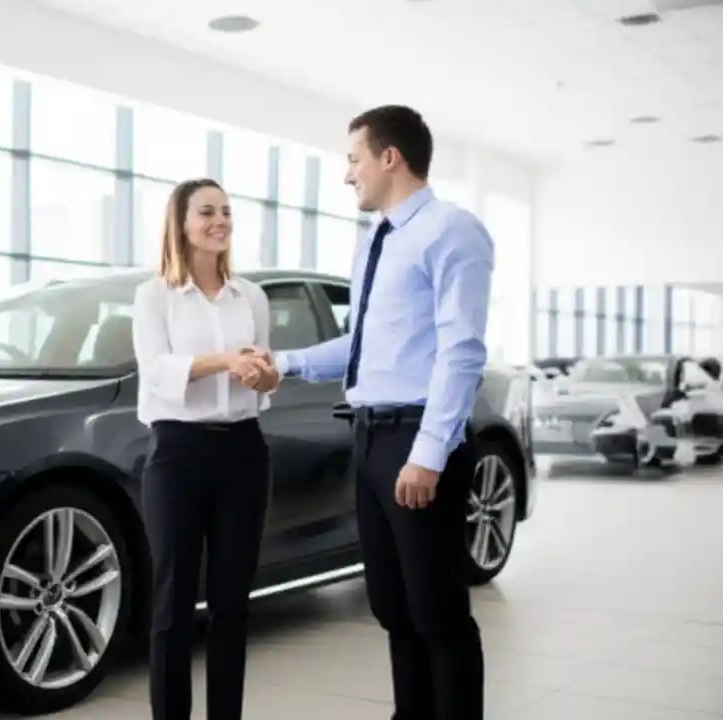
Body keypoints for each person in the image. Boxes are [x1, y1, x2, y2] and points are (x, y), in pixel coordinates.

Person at [257, 105, 493, 719]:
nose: (347, 175)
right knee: (393, 606)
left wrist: (428, 454)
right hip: (368, 439)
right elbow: (363, 345)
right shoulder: (375, 241)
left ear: (390, 157)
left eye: (353, 159)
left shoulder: (451, 230)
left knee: (437, 611)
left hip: (415, 439)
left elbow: (461, 352)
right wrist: (285, 361)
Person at [131, 177, 279, 720]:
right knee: (171, 603)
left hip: (244, 452)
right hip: (178, 453)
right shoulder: (154, 297)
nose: (221, 222)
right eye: (208, 212)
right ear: (182, 222)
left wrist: (264, 375)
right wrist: (224, 361)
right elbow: (156, 371)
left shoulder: (251, 296)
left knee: (232, 605)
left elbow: (264, 378)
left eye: (226, 211)